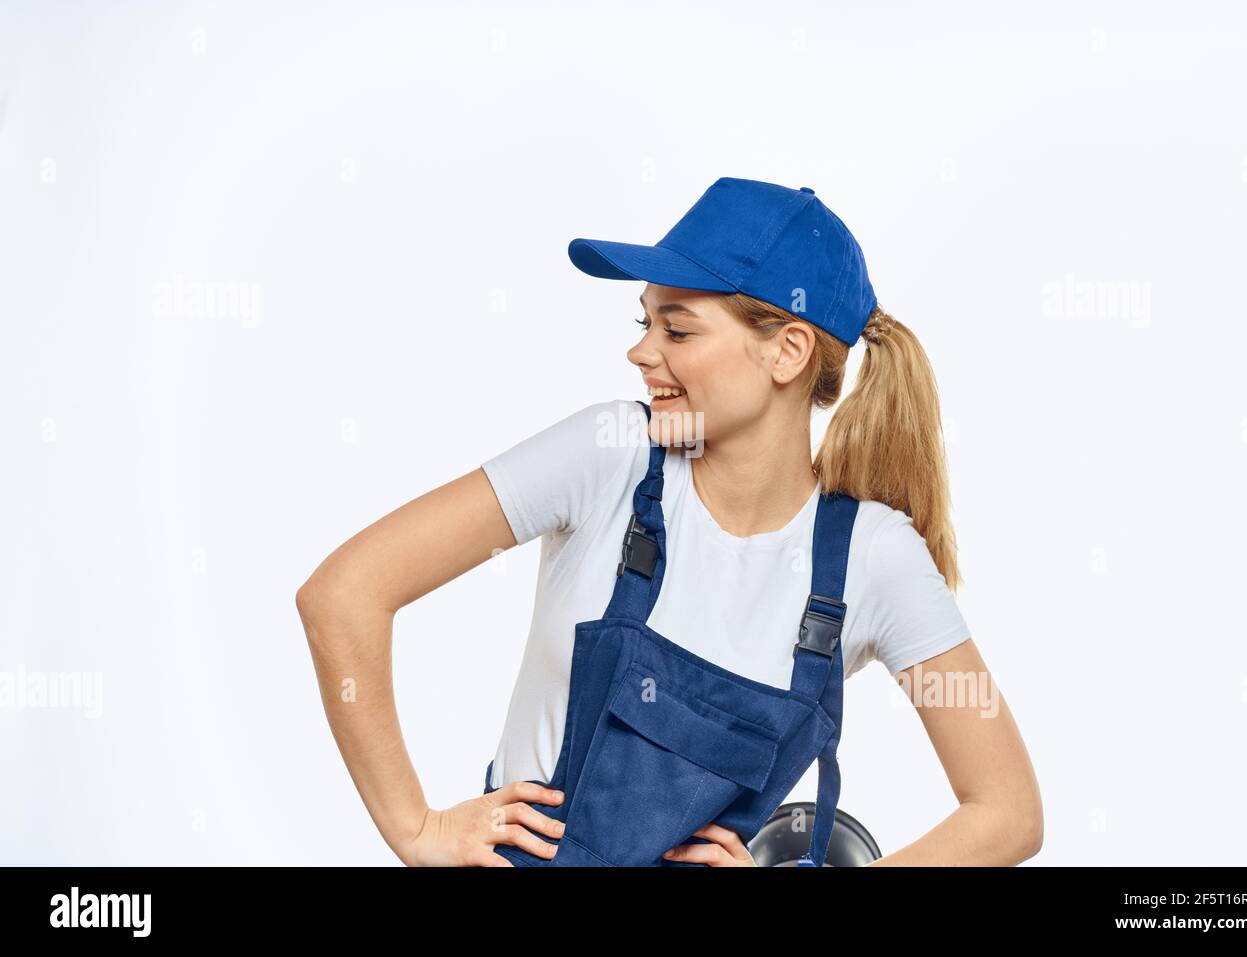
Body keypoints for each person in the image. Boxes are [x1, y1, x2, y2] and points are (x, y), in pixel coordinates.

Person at [296, 177, 1043, 867]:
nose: (640, 351)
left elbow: (1007, 812)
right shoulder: (609, 458)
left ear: (787, 351)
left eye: (677, 331)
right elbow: (345, 595)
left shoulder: (871, 558)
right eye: (644, 321)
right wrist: (416, 827)